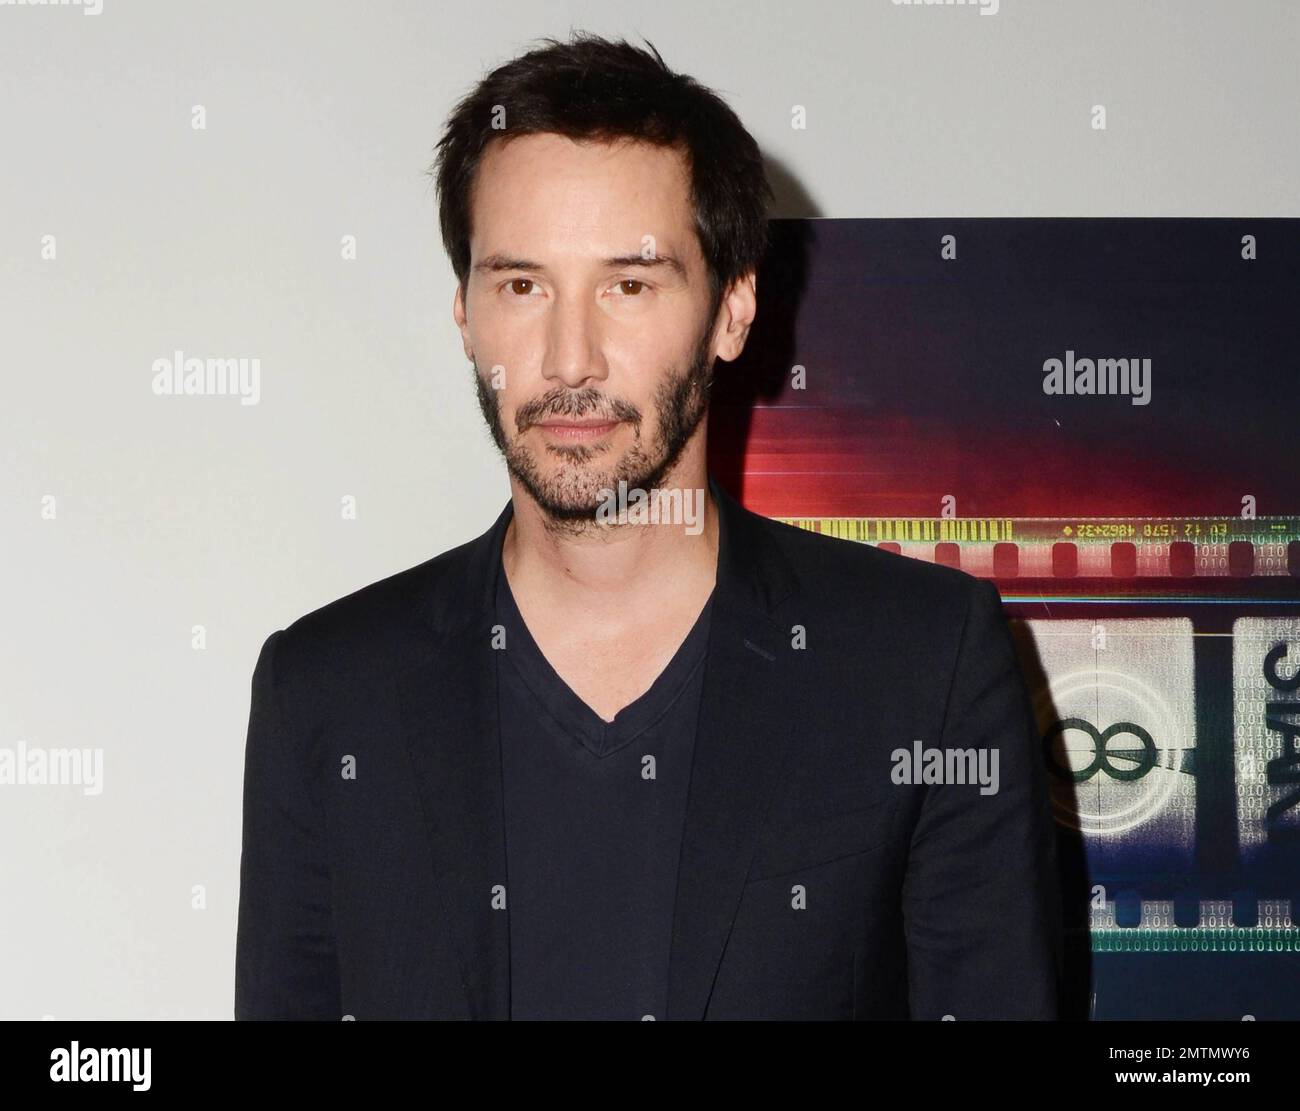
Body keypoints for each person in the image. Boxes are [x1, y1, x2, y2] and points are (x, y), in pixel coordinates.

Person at [235, 31, 1060, 1020]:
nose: (569, 356)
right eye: (521, 284)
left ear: (732, 310)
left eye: (629, 284)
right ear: (464, 311)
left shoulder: (920, 664)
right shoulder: (328, 692)